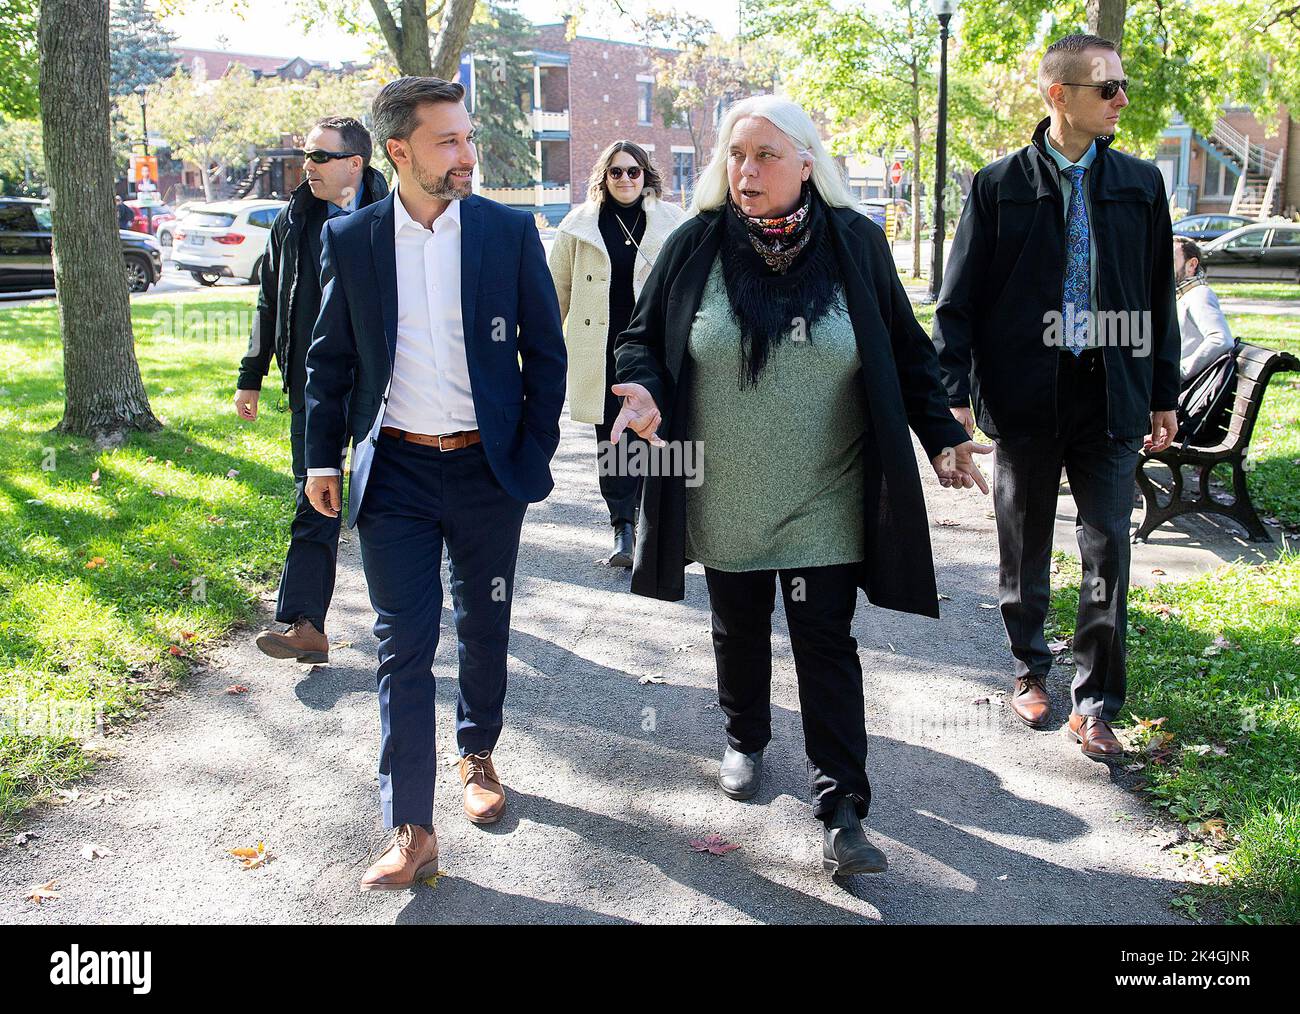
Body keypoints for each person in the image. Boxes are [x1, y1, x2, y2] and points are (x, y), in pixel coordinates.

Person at [611, 95, 990, 876]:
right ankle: (745, 735)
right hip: (722, 486)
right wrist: (644, 389)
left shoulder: (855, 243)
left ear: (807, 164)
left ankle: (843, 804)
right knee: (739, 625)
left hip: (828, 488)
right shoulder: (696, 246)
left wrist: (945, 435)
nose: (745, 172)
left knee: (824, 638)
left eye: (765, 157)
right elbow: (641, 340)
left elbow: (906, 353)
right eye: (736, 156)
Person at [301, 77, 566, 891]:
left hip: (487, 470)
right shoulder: (354, 239)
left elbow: (545, 355)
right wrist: (321, 458)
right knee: (401, 645)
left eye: (468, 137)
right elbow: (330, 362)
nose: (466, 154)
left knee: (483, 622)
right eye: (448, 141)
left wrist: (529, 449)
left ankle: (477, 751)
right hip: (399, 474)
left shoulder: (505, 230)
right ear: (400, 151)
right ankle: (411, 828)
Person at [935, 33, 1180, 761]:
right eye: (1106, 88)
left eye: (1121, 86)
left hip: (1111, 394)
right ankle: (1028, 666)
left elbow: (1157, 298)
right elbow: (959, 299)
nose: (1121, 100)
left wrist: (1161, 390)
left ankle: (1097, 702)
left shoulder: (1139, 185)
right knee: (1024, 542)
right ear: (1058, 95)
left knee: (1107, 549)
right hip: (1025, 394)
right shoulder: (999, 183)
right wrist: (954, 394)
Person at [234, 116, 389, 664]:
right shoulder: (293, 219)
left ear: (356, 163)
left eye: (320, 157)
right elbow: (268, 300)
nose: (308, 166)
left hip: (380, 387)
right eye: (306, 155)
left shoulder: (394, 219)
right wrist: (251, 375)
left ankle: (410, 606)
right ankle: (306, 623)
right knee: (314, 496)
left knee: (391, 502)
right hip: (312, 385)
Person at [548, 141, 685, 567]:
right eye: (616, 172)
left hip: (656, 348)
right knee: (614, 437)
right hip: (602, 349)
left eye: (633, 171)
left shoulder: (674, 224)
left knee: (660, 435)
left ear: (646, 175)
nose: (625, 179)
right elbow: (556, 292)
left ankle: (657, 525)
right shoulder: (579, 227)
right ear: (603, 178)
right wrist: (541, 349)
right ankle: (622, 526)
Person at [1173, 235, 1234, 385]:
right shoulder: (1181, 296)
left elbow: (1221, 339)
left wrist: (1181, 371)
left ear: (1192, 265)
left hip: (1175, 392)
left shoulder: (1199, 294)